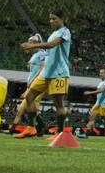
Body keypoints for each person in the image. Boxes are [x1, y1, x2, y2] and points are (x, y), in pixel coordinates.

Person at [19, 11, 72, 139]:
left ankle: (59, 133)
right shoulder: (53, 33)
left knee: (58, 104)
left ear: (63, 19)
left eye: (54, 19)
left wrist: (33, 45)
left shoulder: (65, 31)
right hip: (46, 73)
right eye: (50, 19)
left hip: (59, 73)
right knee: (29, 97)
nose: (51, 21)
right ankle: (31, 128)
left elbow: (52, 45)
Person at [12, 34, 47, 138]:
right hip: (31, 84)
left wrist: (34, 81)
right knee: (27, 107)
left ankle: (34, 128)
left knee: (29, 105)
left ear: (36, 44)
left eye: (30, 42)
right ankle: (39, 127)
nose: (28, 44)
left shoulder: (42, 53)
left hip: (37, 84)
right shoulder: (35, 55)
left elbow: (42, 68)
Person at [83, 68, 105, 137]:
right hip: (98, 103)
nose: (100, 74)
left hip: (104, 104)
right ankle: (86, 134)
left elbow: (101, 90)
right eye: (100, 73)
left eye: (102, 73)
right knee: (91, 117)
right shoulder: (101, 82)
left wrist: (90, 92)